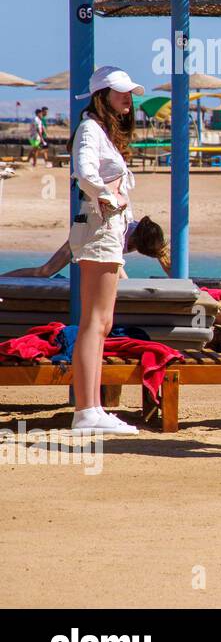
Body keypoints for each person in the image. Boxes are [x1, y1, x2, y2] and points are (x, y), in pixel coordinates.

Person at [69, 66, 145, 436]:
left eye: (130, 93)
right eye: (121, 92)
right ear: (102, 95)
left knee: (103, 322)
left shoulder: (101, 131)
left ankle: (93, 407)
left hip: (107, 230)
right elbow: (83, 171)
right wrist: (107, 196)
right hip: (99, 228)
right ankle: (86, 409)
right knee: (94, 321)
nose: (128, 98)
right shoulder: (90, 129)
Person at [3, 215, 169, 278]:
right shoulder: (120, 233)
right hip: (83, 238)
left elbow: (164, 256)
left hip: (98, 247)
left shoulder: (147, 234)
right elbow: (117, 269)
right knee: (45, 271)